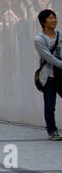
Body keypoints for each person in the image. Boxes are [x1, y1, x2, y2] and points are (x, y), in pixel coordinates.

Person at [33, 9, 61, 140]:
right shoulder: (39, 39)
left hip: (61, 75)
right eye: (50, 18)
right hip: (49, 76)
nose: (54, 20)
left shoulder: (60, 36)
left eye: (54, 18)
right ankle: (52, 131)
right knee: (50, 105)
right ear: (43, 21)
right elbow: (48, 57)